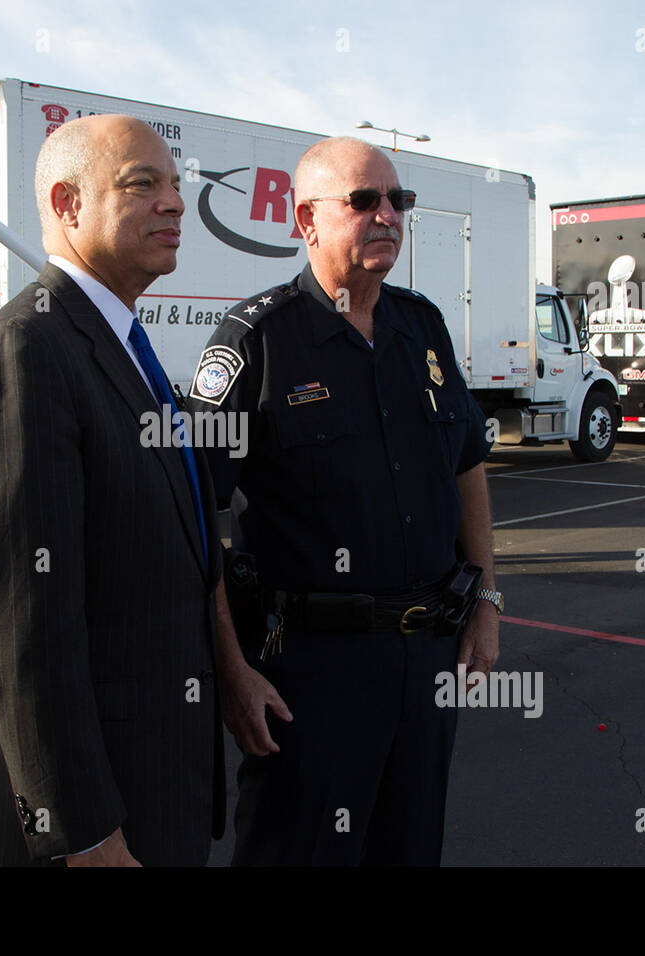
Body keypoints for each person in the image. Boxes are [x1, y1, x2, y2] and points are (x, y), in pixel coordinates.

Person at [187, 136, 501, 866]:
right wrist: (231, 671)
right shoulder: (255, 342)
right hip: (310, 676)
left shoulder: (421, 327)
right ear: (307, 221)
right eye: (364, 201)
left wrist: (487, 598)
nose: (388, 215)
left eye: (399, 201)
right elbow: (196, 517)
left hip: (428, 662)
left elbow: (468, 464)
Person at [0, 114, 223, 867]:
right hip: (93, 824)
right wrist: (86, 835)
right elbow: (21, 629)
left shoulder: (124, 345)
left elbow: (180, 543)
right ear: (67, 204)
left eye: (177, 185)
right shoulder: (26, 351)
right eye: (144, 185)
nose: (175, 203)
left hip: (154, 788)